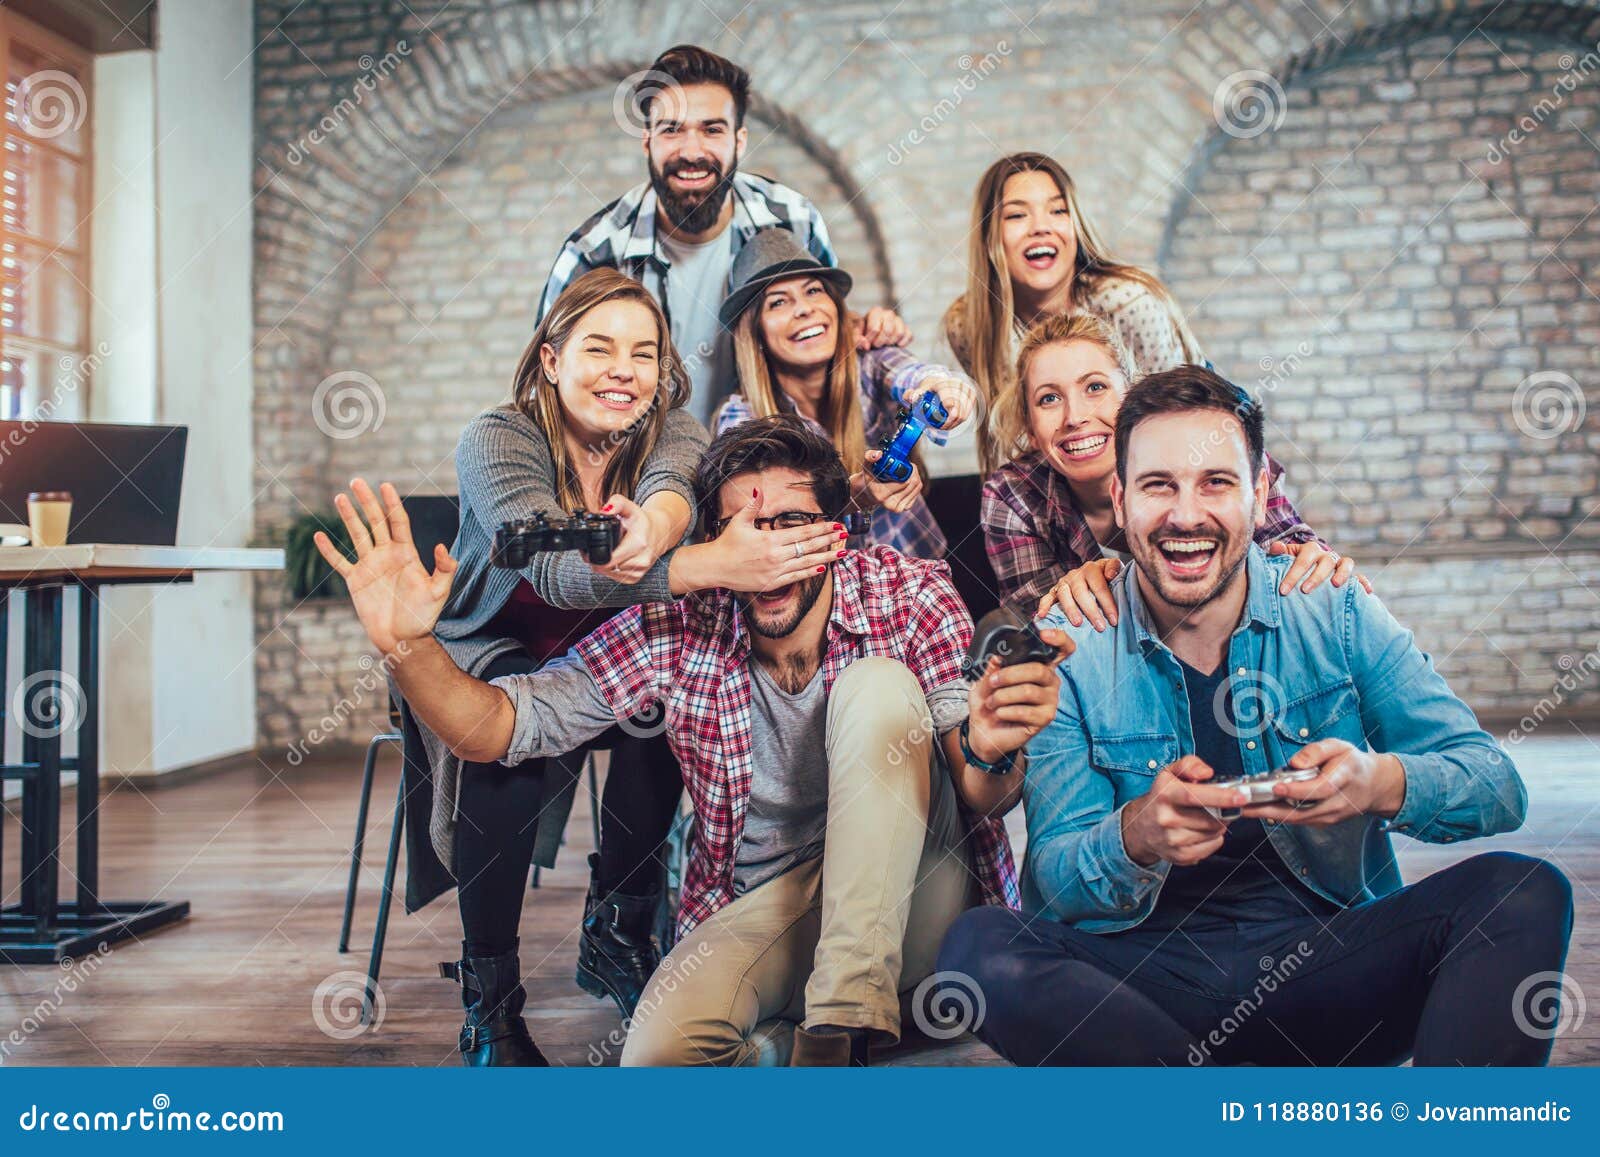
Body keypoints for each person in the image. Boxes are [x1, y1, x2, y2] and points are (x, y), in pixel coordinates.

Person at [315, 416, 1070, 1067]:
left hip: (916, 888)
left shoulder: (908, 591)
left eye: (791, 522)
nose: (767, 548)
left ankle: (835, 1033)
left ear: (835, 533)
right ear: (716, 543)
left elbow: (982, 792)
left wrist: (989, 746)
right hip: (772, 902)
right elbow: (499, 729)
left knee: (875, 686)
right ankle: (837, 1037)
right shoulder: (679, 624)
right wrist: (407, 646)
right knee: (657, 1059)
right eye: (743, 527)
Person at [937, 367, 1573, 1067]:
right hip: (1139, 992)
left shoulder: (1334, 608)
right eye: (1158, 486)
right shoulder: (1072, 644)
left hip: (1326, 969)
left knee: (1523, 893)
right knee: (978, 948)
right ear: (1119, 499)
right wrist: (1137, 835)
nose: (1186, 516)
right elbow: (1057, 880)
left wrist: (1378, 782)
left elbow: (1494, 785)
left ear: (1261, 492)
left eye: (1215, 482)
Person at [350, 268, 844, 1067]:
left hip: (615, 649)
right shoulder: (497, 438)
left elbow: (673, 488)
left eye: (644, 354)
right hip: (489, 642)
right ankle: (490, 1007)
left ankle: (617, 927)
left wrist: (657, 526)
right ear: (551, 359)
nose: (625, 370)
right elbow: (552, 576)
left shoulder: (673, 428)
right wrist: (702, 564)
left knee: (671, 708)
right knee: (509, 749)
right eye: (600, 349)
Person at [539, 44, 909, 427]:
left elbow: (825, 337)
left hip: (768, 453)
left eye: (712, 129)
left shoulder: (793, 220)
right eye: (672, 130)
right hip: (635, 459)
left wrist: (868, 327)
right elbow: (545, 392)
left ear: (739, 140)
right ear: (647, 142)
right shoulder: (593, 254)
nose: (692, 151)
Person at [982, 312, 1360, 622]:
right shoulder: (1013, 496)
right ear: (1030, 428)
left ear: (1129, 397)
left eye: (1095, 387)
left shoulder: (1218, 450)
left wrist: (1310, 561)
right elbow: (1048, 631)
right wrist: (1074, 593)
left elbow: (1290, 553)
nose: (1074, 417)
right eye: (1049, 399)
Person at [713, 227, 977, 558]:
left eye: (813, 291)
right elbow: (769, 517)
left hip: (916, 570)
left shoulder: (871, 362)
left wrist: (944, 386)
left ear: (836, 307)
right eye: (778, 302)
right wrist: (853, 494)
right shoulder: (740, 418)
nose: (804, 309)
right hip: (820, 583)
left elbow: (915, 375)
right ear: (755, 333)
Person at [943, 152, 1204, 474]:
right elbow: (1019, 444)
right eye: (1017, 215)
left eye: (1058, 210)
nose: (1040, 227)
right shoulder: (968, 325)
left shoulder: (1129, 303)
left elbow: (1184, 426)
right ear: (988, 236)